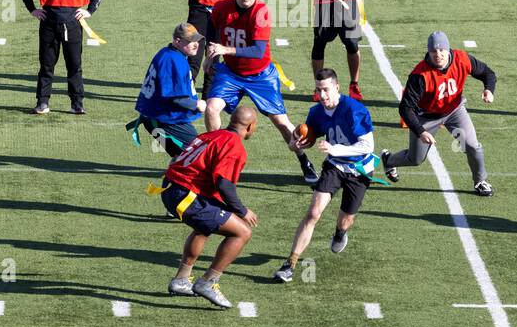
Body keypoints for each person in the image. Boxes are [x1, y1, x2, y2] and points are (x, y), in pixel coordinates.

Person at [205, 0, 318, 183]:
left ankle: (304, 160)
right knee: (211, 109)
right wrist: (209, 55)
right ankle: (215, 158)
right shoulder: (222, 7)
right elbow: (212, 26)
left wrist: (224, 50)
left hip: (260, 74)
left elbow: (257, 51)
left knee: (281, 122)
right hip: (230, 72)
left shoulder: (261, 11)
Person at [274, 68, 377, 283]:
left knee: (345, 220)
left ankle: (340, 233)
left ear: (337, 87)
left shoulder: (354, 109)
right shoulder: (316, 112)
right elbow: (309, 137)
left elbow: (367, 146)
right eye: (318, 90)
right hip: (334, 166)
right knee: (313, 213)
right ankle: (290, 264)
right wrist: (296, 144)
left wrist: (336, 149)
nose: (322, 96)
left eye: (326, 90)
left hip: (359, 170)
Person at [159, 106, 260, 310]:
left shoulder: (213, 134)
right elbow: (224, 185)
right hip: (186, 195)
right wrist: (242, 210)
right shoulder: (234, 145)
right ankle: (209, 281)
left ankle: (181, 279)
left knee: (206, 225)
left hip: (171, 188)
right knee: (242, 232)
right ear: (250, 127)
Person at [380, 32, 495, 197]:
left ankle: (480, 181)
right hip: (426, 117)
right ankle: (389, 160)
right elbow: (405, 108)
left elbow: (487, 73)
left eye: (442, 50)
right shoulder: (420, 75)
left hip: (454, 111)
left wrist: (488, 90)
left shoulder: (462, 59)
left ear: (448, 50)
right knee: (416, 159)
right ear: (428, 52)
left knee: (472, 146)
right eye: (434, 51)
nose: (438, 55)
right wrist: (421, 131)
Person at [19, 0, 104, 115]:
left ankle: (77, 103)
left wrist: (89, 10)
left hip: (73, 20)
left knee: (74, 65)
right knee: (47, 64)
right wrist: (32, 9)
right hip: (49, 19)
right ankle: (42, 102)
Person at [130, 22, 207, 155]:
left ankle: (173, 175)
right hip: (164, 120)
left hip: (154, 118)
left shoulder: (167, 52)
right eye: (190, 41)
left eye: (197, 41)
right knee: (199, 152)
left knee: (181, 156)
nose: (196, 45)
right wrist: (198, 104)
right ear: (177, 41)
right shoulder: (174, 61)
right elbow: (177, 99)